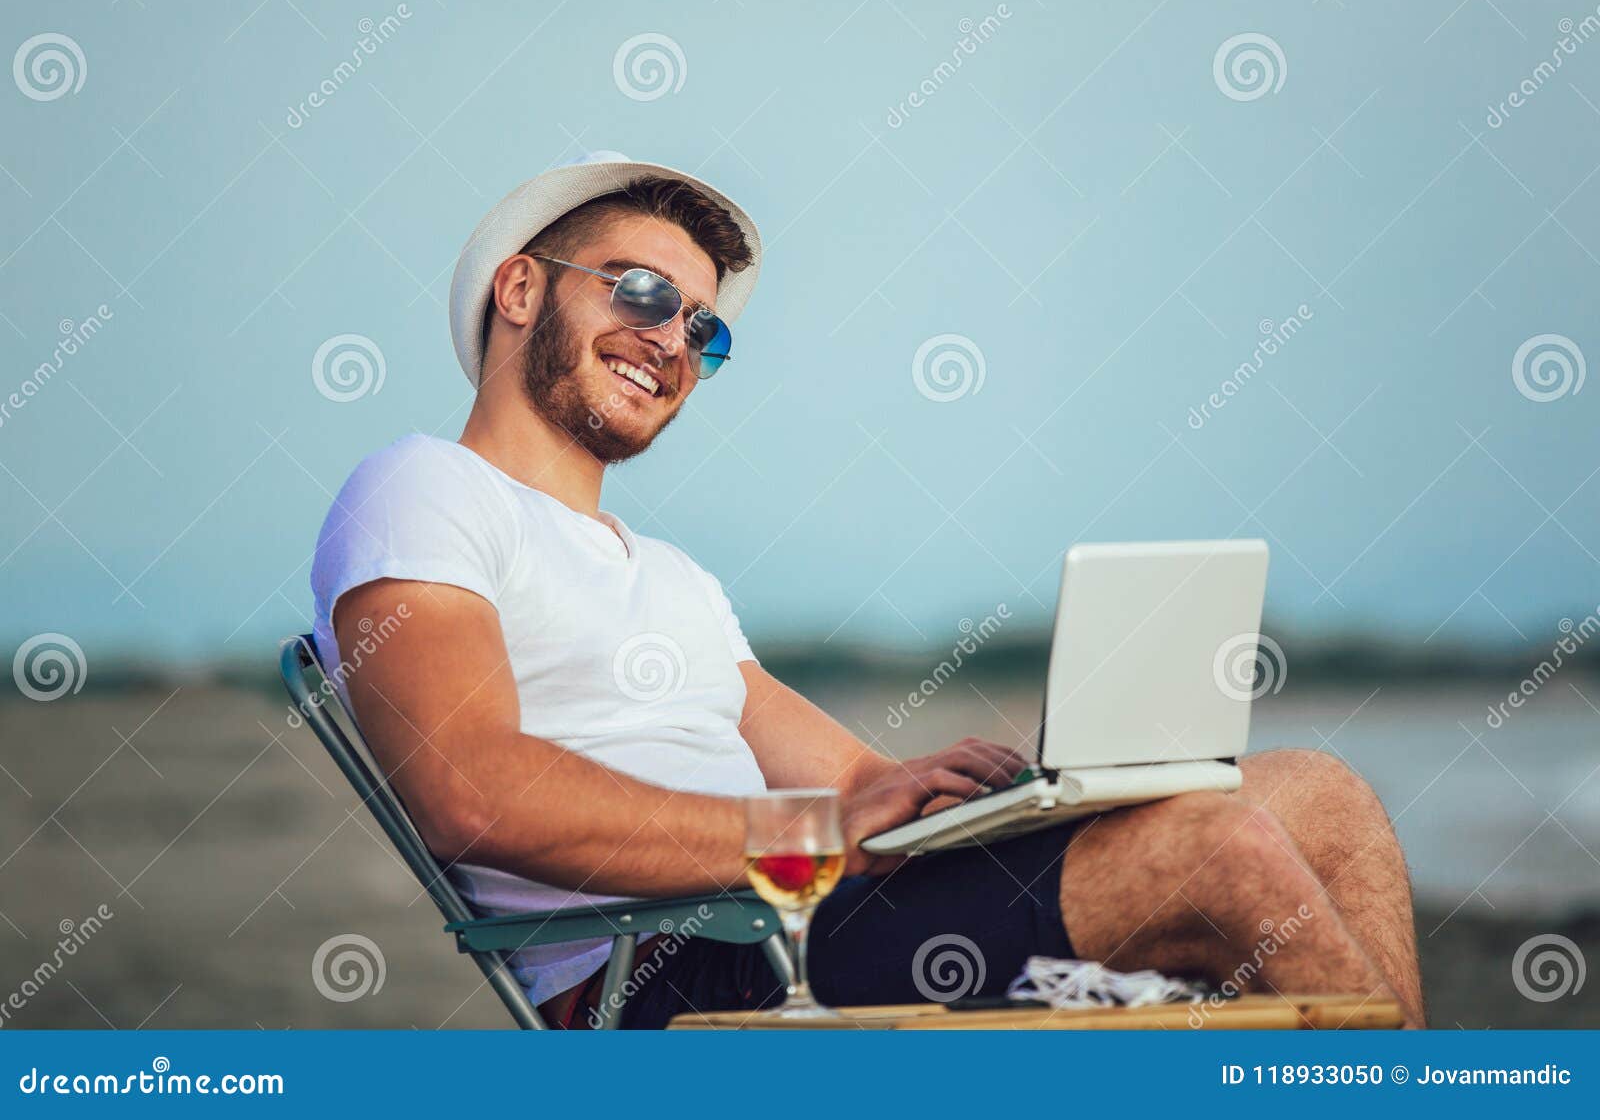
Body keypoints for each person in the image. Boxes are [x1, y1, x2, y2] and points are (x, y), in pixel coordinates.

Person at [311, 154, 1424, 1029]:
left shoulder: (671, 576)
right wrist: (815, 831)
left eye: (701, 325)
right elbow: (472, 791)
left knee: (1323, 797)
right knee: (1220, 851)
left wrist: (987, 795)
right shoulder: (425, 486)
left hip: (807, 908)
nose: (671, 341)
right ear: (519, 287)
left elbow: (854, 783)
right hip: (677, 968)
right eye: (642, 291)